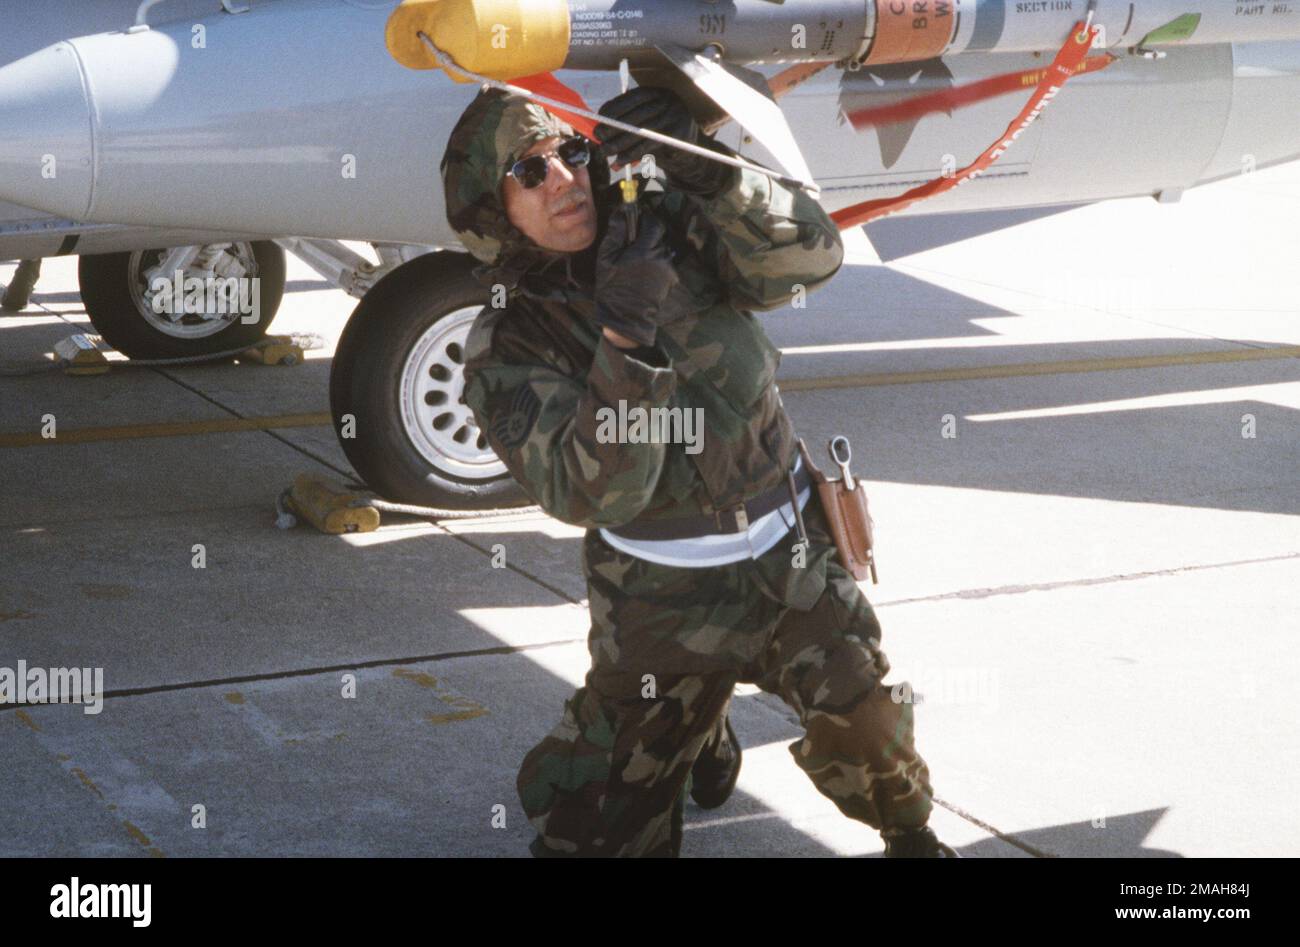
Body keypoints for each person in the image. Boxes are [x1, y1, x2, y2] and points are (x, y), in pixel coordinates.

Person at [444, 83, 956, 858]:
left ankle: (910, 837)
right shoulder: (509, 341)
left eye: (571, 154)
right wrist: (625, 340)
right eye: (529, 172)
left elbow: (813, 260)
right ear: (494, 209)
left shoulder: (667, 228)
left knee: (871, 724)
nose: (562, 180)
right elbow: (593, 493)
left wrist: (712, 172)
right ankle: (694, 725)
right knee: (592, 820)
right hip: (659, 599)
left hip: (789, 561)